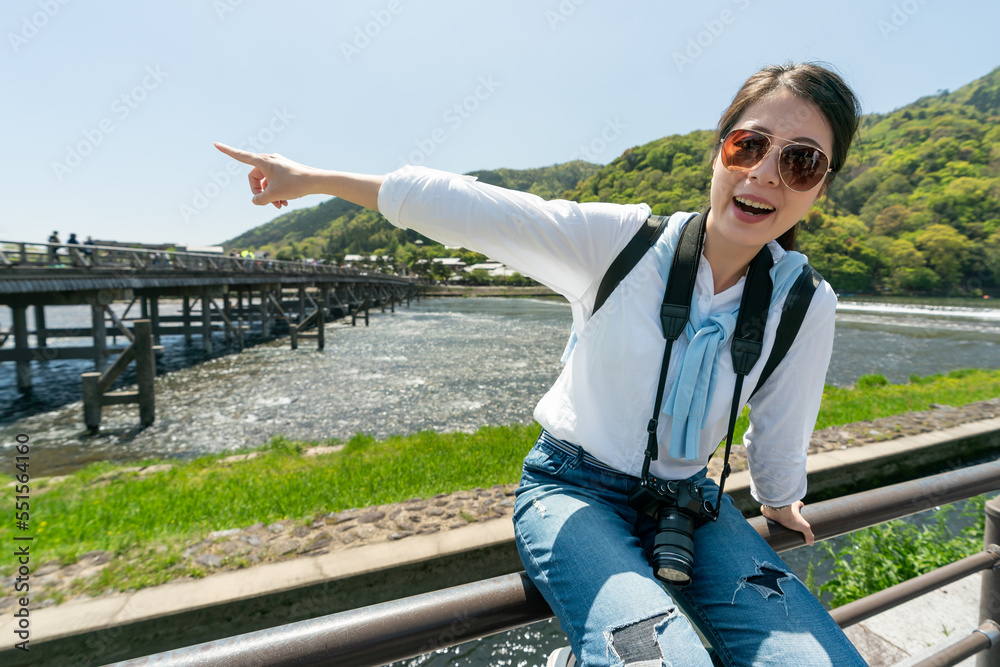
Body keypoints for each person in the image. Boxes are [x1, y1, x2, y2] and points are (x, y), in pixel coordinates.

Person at [216, 61, 866, 666]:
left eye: (801, 162)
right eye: (748, 146)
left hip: (691, 500)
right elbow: (467, 206)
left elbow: (783, 424)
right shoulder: (625, 245)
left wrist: (781, 502)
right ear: (719, 149)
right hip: (573, 486)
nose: (765, 174)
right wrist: (312, 179)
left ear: (823, 186)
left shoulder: (804, 301)